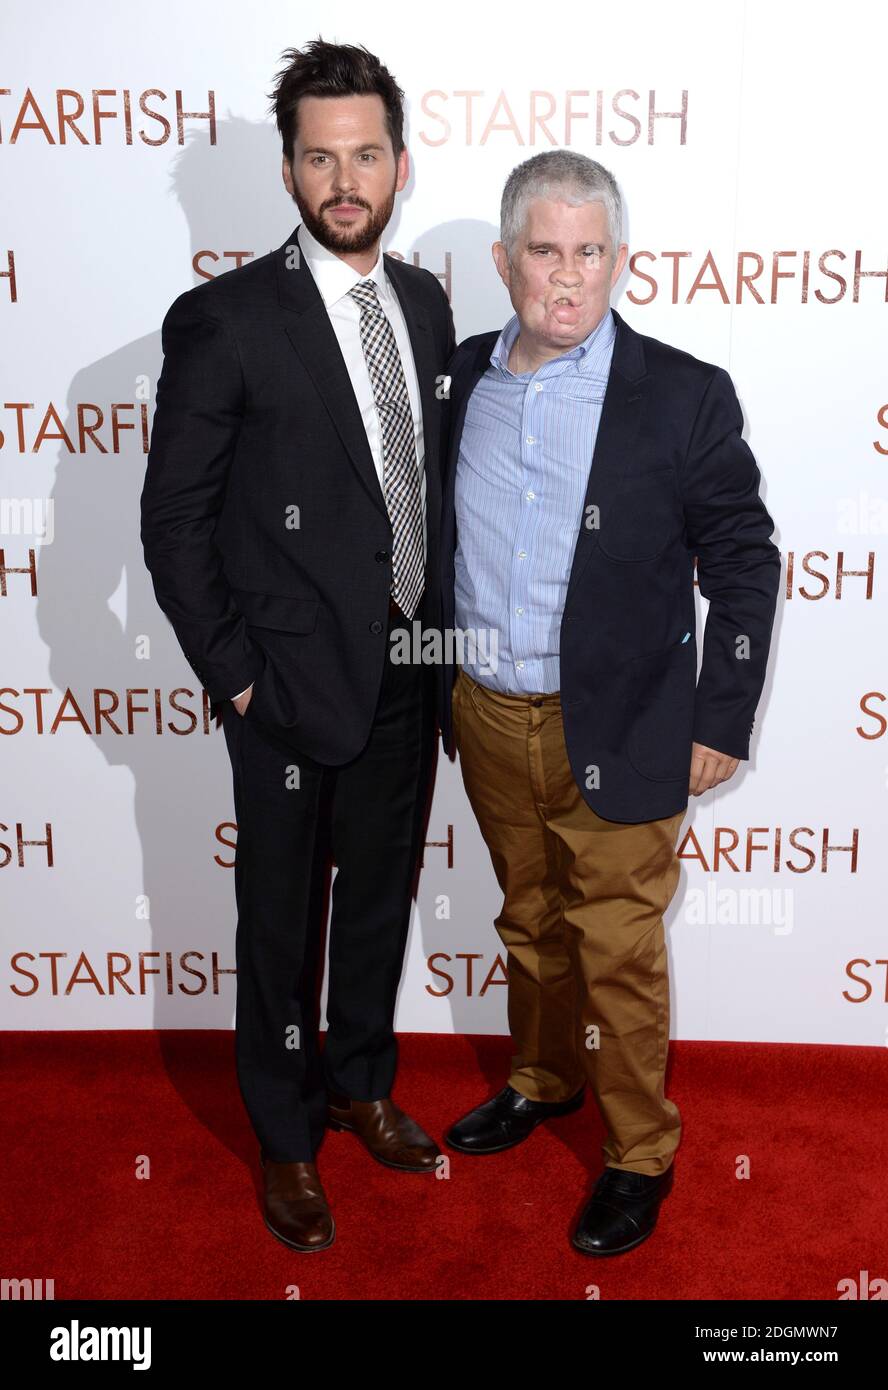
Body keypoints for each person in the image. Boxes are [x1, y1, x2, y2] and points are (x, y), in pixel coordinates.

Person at [140, 39, 456, 1252]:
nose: (344, 178)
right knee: (280, 922)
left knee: (377, 897)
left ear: (400, 164)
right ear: (286, 172)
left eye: (364, 154)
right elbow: (173, 525)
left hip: (405, 674)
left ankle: (362, 1083)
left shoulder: (424, 303)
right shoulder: (224, 322)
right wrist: (236, 675)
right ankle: (284, 1137)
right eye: (319, 157)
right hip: (280, 685)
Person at [438, 150, 780, 1256]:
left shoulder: (680, 395)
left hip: (627, 723)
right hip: (490, 714)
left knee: (618, 951)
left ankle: (639, 1155)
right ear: (505, 261)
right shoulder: (459, 384)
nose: (570, 278)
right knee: (528, 922)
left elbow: (743, 558)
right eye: (546, 252)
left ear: (620, 260)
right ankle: (542, 1080)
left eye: (591, 253)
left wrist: (719, 718)